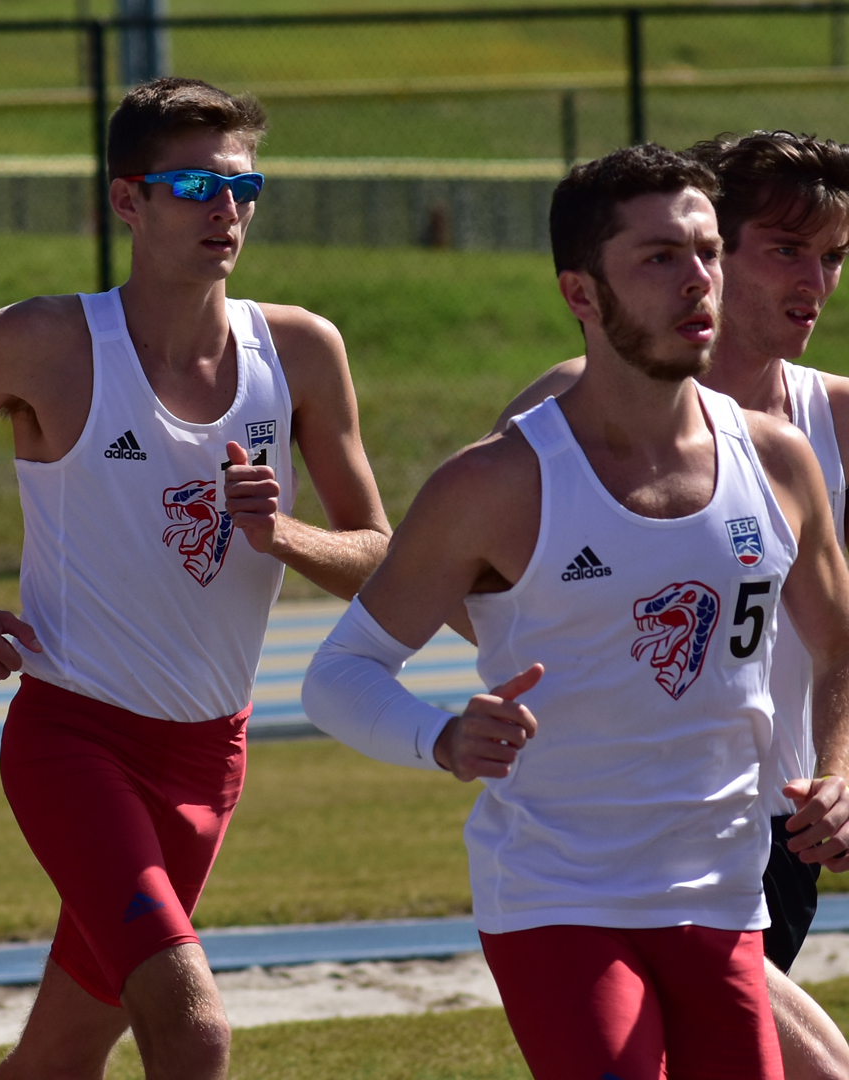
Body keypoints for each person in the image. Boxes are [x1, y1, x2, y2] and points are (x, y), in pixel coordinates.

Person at [0, 78, 391, 1080]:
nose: (226, 209)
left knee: (58, 1056)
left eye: (242, 186)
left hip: (213, 756)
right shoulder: (44, 342)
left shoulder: (302, 351)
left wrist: (285, 537)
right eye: (193, 186)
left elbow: (376, 557)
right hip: (77, 741)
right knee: (194, 1028)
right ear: (127, 201)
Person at [303, 144, 849, 1079]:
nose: (698, 282)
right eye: (659, 259)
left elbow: (838, 651)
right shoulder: (496, 482)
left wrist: (838, 772)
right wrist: (440, 737)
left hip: (723, 893)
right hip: (561, 894)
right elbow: (338, 675)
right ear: (581, 293)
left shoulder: (783, 461)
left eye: (709, 252)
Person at [485, 131, 849, 1079]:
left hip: (778, 825)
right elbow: (468, 587)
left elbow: (843, 639)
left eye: (835, 256)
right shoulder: (562, 419)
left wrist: (845, 769)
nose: (816, 280)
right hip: (627, 832)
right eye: (785, 249)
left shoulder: (828, 427)